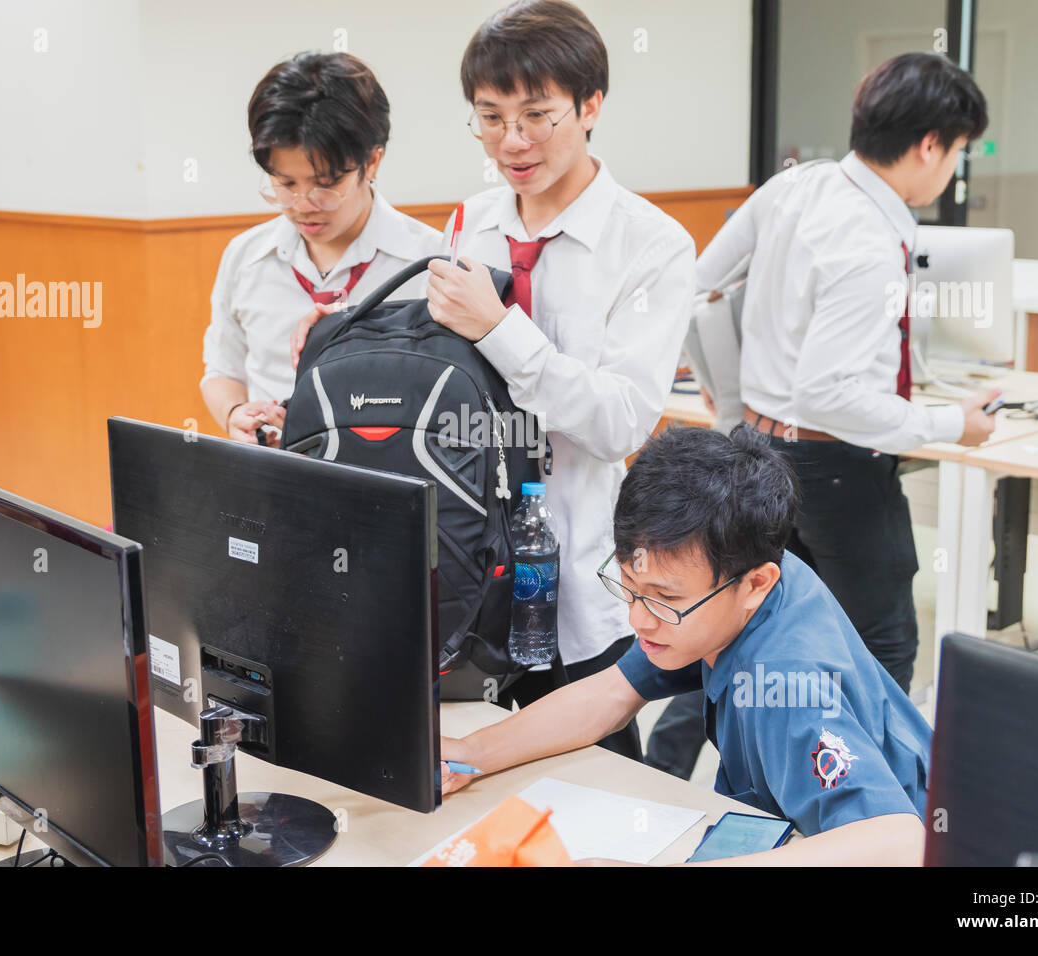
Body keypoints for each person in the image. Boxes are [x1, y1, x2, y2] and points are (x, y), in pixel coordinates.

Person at [441, 426, 933, 866]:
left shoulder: (785, 684)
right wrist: (467, 754)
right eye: (631, 588)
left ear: (756, 585)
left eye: (664, 600)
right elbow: (612, 694)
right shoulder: (731, 585)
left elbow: (898, 841)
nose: (638, 618)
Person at [416, 0, 695, 758]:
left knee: (597, 792)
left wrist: (502, 329)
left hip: (574, 579)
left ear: (591, 105)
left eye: (537, 114)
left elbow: (618, 424)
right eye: (490, 116)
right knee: (464, 772)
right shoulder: (467, 222)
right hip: (468, 566)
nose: (512, 141)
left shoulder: (652, 245)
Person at [691, 52, 997, 693]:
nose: (950, 172)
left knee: (743, 630)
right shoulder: (868, 244)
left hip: (757, 447)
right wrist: (950, 422)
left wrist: (728, 404)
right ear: (929, 145)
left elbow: (699, 286)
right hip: (835, 468)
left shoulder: (794, 185)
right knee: (881, 648)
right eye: (957, 153)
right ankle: (878, 791)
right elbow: (828, 395)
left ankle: (710, 776)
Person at [201, 52, 441, 446]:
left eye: (325, 183)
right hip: (272, 480)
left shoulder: (429, 263)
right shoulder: (245, 256)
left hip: (385, 479)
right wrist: (234, 414)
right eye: (285, 183)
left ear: (373, 161)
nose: (303, 204)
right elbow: (221, 370)